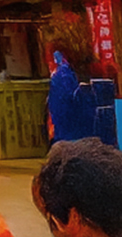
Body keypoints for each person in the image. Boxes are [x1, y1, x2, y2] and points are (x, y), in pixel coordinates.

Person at [45, 18, 116, 147]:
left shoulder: (62, 77)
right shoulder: (102, 71)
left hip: (71, 146)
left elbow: (60, 116)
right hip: (106, 147)